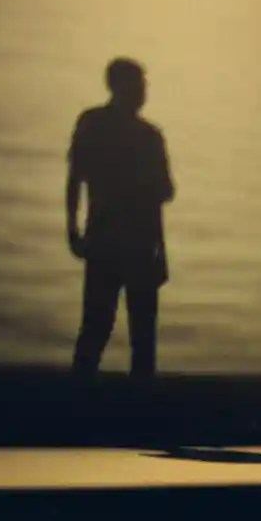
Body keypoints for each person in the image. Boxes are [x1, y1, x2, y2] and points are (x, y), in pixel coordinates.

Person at [67, 58, 174, 380]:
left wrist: (73, 228)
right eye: (139, 85)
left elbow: (75, 179)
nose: (143, 92)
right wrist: (160, 251)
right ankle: (138, 412)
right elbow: (162, 195)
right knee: (140, 335)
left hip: (106, 239)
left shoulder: (92, 123)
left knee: (97, 327)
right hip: (134, 244)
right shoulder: (149, 136)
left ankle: (79, 399)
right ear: (121, 86)